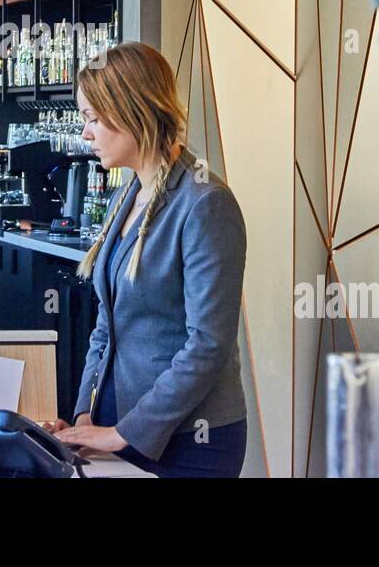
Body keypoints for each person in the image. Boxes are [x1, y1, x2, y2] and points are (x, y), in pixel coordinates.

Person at [49, 41, 248, 477]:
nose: (86, 134)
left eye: (93, 119)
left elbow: (208, 345)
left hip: (190, 442)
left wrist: (123, 433)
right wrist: (87, 415)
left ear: (130, 112)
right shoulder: (129, 194)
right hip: (120, 423)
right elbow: (107, 324)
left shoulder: (206, 204)